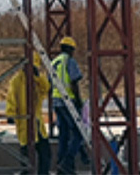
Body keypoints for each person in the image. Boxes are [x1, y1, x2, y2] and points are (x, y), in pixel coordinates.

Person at [7, 53, 52, 174]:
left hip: (37, 123)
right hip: (25, 123)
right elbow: (12, 99)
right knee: (27, 155)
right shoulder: (16, 81)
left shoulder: (37, 80)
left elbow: (46, 88)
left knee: (45, 153)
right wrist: (10, 114)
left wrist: (38, 76)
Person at [50, 36, 83, 174]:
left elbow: (49, 82)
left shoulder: (54, 62)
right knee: (78, 133)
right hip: (67, 101)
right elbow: (74, 82)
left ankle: (60, 164)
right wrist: (78, 100)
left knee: (63, 133)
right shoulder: (69, 61)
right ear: (70, 49)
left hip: (56, 101)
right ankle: (67, 162)